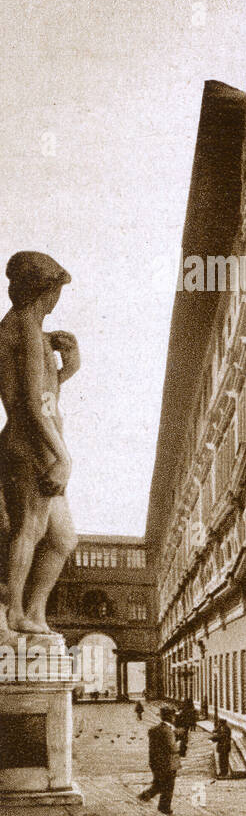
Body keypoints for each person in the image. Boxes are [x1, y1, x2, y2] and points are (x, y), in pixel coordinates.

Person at [0, 252, 79, 645]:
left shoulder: (25, 328)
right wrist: (63, 457)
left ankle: (33, 612)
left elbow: (42, 393)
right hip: (31, 444)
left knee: (62, 538)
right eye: (56, 290)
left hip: (38, 442)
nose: (57, 298)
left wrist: (69, 368)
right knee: (29, 528)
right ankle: (14, 613)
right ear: (43, 289)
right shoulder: (26, 330)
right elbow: (30, 404)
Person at [138, 706, 181, 815]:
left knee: (158, 784)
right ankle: (164, 807)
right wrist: (179, 745)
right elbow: (172, 748)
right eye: (173, 716)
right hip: (167, 763)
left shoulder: (154, 729)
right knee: (168, 786)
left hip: (155, 762)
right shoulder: (168, 731)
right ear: (171, 717)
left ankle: (143, 797)